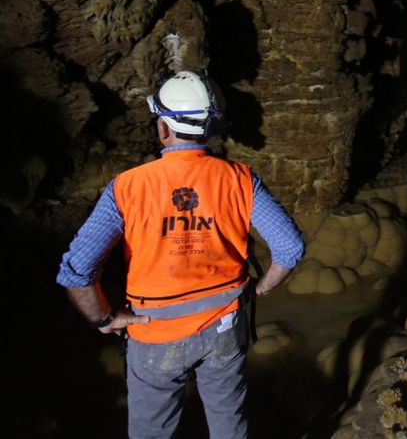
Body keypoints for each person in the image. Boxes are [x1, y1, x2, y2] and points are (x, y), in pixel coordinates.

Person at [57, 69, 304, 439]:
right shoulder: (240, 179)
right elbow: (290, 247)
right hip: (224, 325)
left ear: (163, 127)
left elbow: (77, 271)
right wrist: (261, 287)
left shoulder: (127, 187)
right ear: (209, 127)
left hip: (154, 332)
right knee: (229, 423)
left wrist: (104, 317)